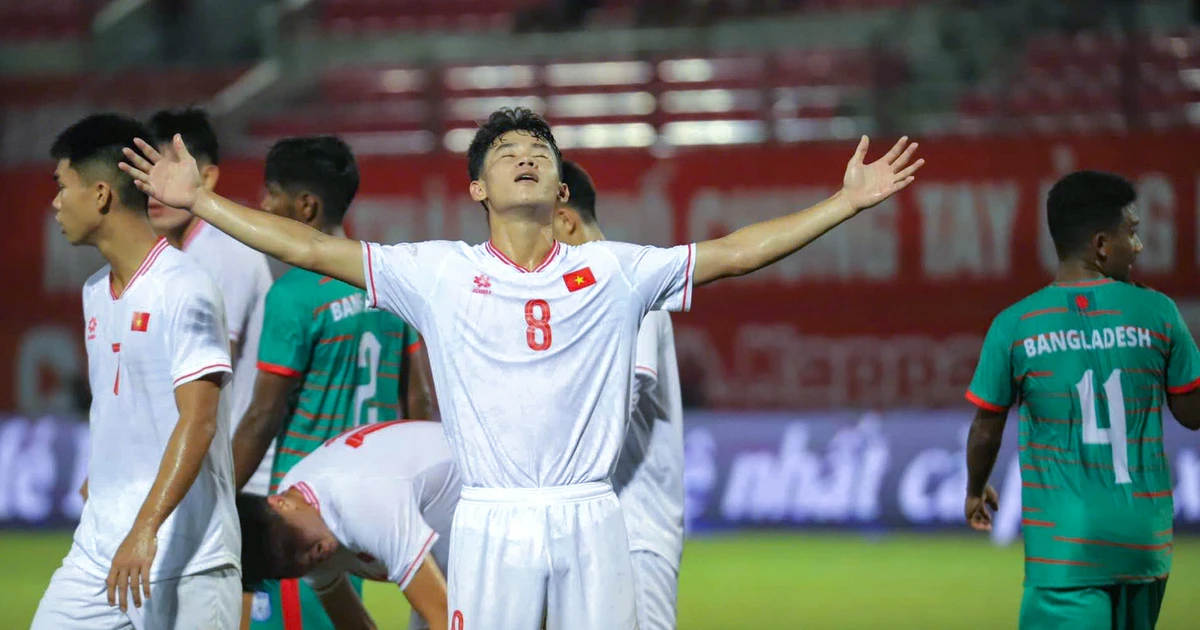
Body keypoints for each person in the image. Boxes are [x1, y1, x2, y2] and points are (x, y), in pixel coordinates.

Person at [121, 107, 922, 629]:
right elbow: (307, 246)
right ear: (477, 185)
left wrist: (843, 203)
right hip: (491, 522)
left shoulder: (613, 269)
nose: (526, 157)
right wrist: (203, 203)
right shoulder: (438, 271)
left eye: (539, 149)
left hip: (591, 515)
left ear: (560, 181)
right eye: (506, 152)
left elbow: (736, 252)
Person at [963, 170, 1200, 630]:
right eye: (1132, 233)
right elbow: (1192, 414)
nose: (1139, 246)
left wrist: (975, 488)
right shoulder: (1158, 311)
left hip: (1066, 552)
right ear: (1101, 245)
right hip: (1146, 545)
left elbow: (986, 429)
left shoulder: (1016, 324)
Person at [33, 113, 240, 628]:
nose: (56, 203)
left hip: (187, 557)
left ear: (101, 194)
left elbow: (199, 421)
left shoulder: (185, 287)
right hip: (99, 550)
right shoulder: (94, 292)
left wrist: (145, 528)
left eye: (63, 186)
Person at [229, 135, 433, 630]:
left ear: (305, 206)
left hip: (303, 507)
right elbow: (419, 399)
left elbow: (262, 416)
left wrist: (215, 502)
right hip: (376, 497)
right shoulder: (386, 280)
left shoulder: (293, 295)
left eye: (272, 193)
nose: (263, 206)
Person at [550, 160, 685, 630]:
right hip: (587, 525)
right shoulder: (575, 297)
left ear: (565, 220)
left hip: (636, 527)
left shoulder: (630, 280)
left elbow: (623, 397)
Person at [146, 107, 275, 497]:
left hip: (239, 471)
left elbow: (210, 371)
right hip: (207, 461)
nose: (154, 188)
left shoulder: (225, 250)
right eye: (146, 172)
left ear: (207, 178)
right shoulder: (176, 255)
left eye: (168, 173)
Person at [238, 419, 459, 630]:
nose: (305, 560)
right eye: (288, 569)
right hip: (452, 539)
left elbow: (446, 618)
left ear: (280, 503)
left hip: (474, 496)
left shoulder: (360, 501)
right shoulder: (295, 525)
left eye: (290, 546)